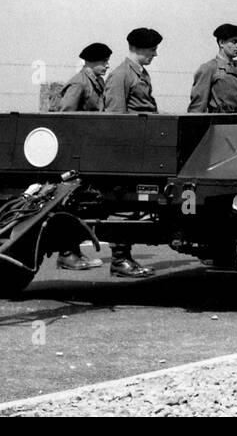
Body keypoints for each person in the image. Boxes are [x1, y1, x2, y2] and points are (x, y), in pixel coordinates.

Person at [100, 27, 163, 277]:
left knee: (138, 204)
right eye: (152, 49)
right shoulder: (120, 75)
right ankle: (119, 260)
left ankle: (123, 258)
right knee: (125, 205)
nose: (155, 54)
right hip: (128, 152)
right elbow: (116, 119)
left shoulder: (139, 73)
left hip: (142, 148)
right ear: (138, 48)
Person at [53, 42, 111, 270]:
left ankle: (73, 252)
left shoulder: (95, 82)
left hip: (88, 152)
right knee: (71, 203)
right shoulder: (79, 83)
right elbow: (66, 117)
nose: (106, 66)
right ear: (90, 62)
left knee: (82, 204)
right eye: (103, 62)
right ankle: (67, 253)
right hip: (75, 153)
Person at [188, 23, 237, 113]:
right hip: (217, 123)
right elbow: (197, 107)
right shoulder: (209, 68)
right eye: (234, 42)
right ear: (221, 43)